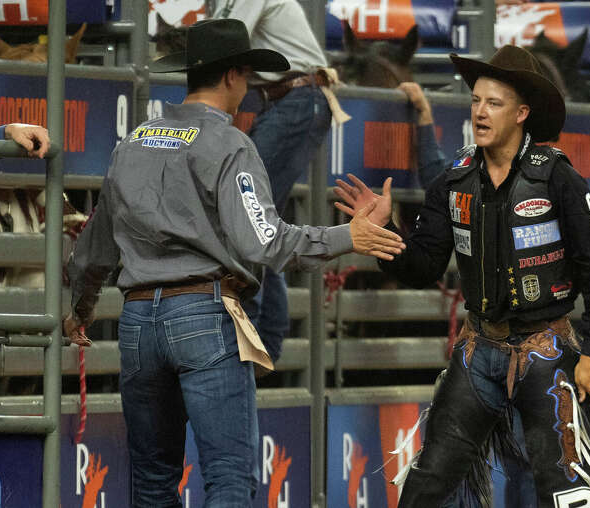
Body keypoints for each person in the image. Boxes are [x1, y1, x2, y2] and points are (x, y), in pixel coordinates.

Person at [63, 19, 404, 504]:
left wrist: (81, 307)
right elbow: (264, 242)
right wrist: (346, 235)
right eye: (247, 77)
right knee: (227, 477)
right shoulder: (230, 145)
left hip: (137, 321)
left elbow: (93, 249)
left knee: (152, 480)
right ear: (233, 75)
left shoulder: (132, 142)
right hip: (203, 315)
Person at [335, 45, 590, 508]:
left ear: (522, 114)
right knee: (428, 480)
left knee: (568, 488)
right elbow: (422, 267)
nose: (479, 112)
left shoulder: (558, 178)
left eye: (493, 103)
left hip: (546, 349)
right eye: (475, 100)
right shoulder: (453, 181)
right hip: (479, 348)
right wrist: (384, 233)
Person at [208, 0, 344, 364]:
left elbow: (226, 39)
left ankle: (255, 338)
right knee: (257, 221)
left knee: (245, 215)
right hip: (292, 98)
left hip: (297, 96)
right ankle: (264, 342)